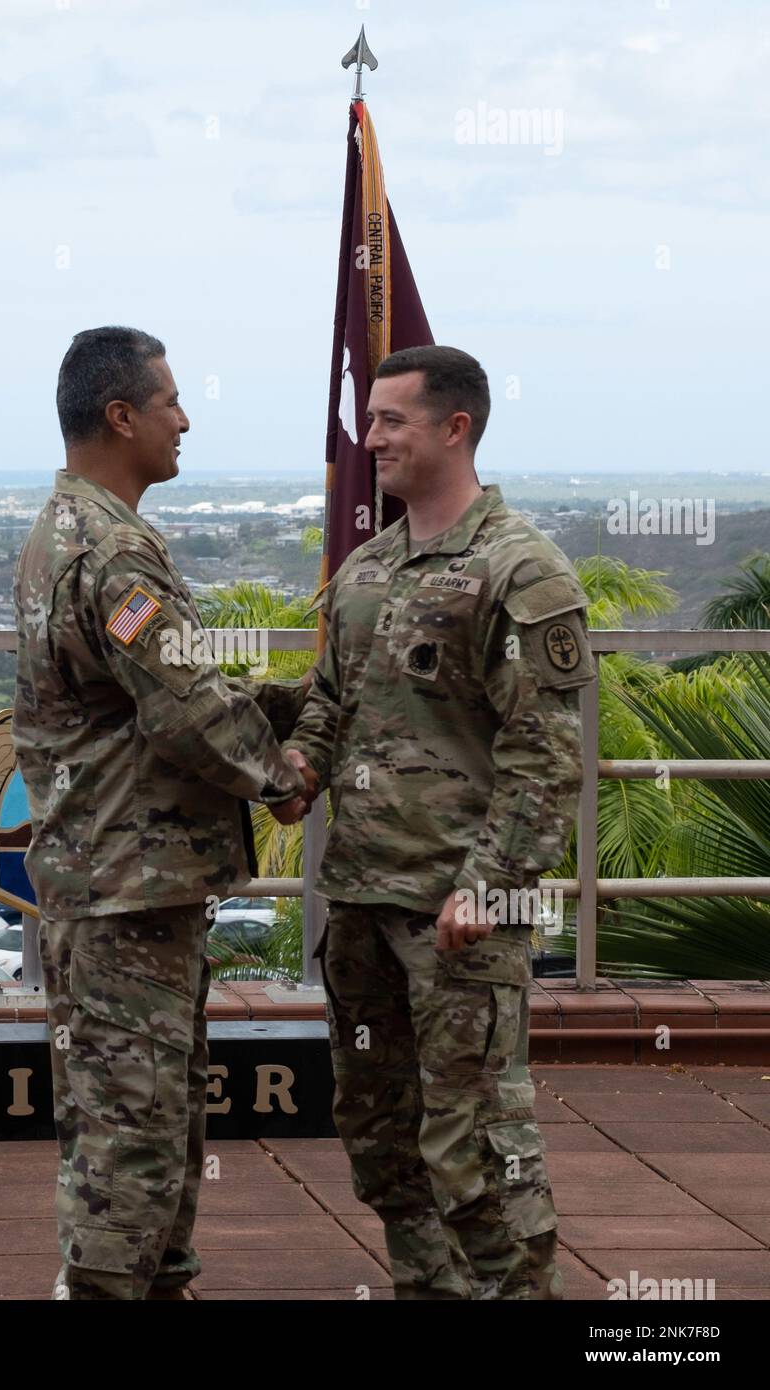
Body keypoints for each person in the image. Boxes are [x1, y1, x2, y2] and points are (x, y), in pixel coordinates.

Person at [284, 344, 596, 1300]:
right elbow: (330, 704)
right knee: (380, 1139)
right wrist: (296, 769)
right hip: (364, 900)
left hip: (459, 910)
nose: (368, 436)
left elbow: (547, 752)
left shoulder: (522, 570)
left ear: (454, 428)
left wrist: (492, 882)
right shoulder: (369, 567)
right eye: (368, 418)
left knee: (476, 1147)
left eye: (390, 421)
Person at [11, 326, 312, 1301]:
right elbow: (183, 712)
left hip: (126, 880)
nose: (185, 418)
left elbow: (153, 698)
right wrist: (281, 772)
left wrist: (268, 707)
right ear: (121, 415)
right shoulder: (110, 548)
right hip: (124, 888)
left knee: (162, 1108)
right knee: (129, 1133)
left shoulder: (72, 529)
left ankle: (160, 1283)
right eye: (171, 401)